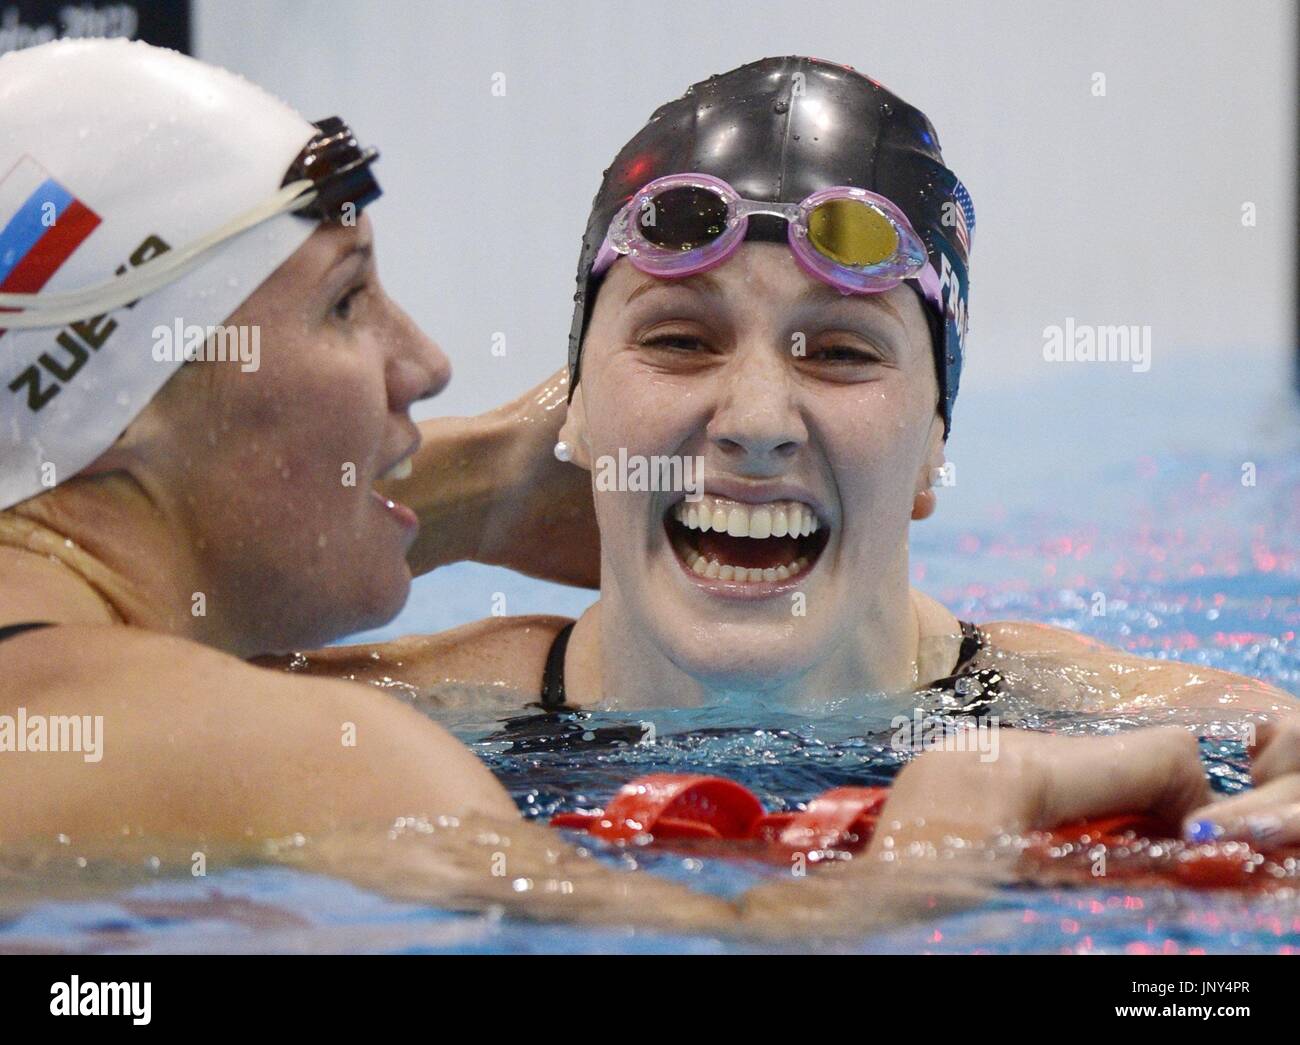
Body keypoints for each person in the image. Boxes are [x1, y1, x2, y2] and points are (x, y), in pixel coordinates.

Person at [289, 58, 1299, 849]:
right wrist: (486, 487)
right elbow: (127, 637)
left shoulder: (1106, 722)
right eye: (679, 340)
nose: (756, 418)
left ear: (930, 448)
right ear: (579, 407)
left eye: (842, 350)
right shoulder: (398, 721)